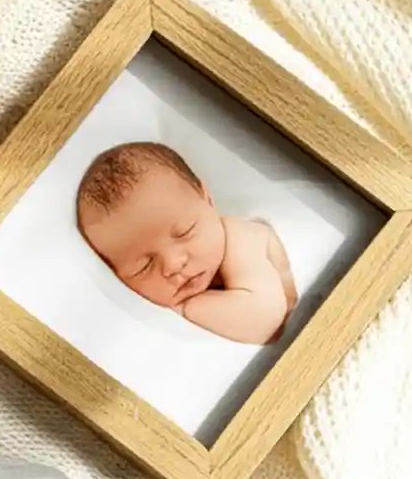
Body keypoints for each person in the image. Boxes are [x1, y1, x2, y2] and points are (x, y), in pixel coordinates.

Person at [76, 141, 297, 345]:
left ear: (208, 200)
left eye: (185, 232)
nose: (173, 265)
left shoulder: (241, 239)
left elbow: (265, 320)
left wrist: (187, 308)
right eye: (144, 267)